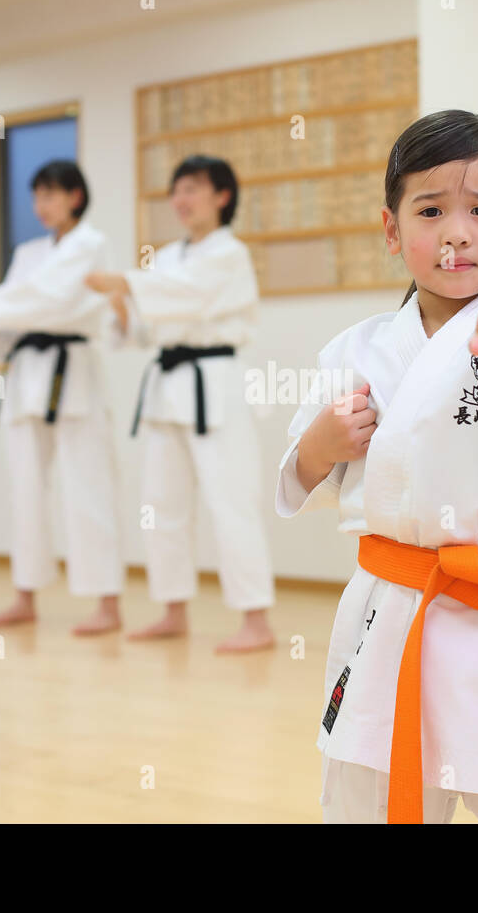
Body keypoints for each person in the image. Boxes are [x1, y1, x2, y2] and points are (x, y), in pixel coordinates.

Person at [275, 110, 478, 823]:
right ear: (393, 232)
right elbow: (298, 476)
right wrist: (323, 445)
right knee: (371, 797)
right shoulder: (355, 352)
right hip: (395, 614)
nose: (456, 231)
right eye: (431, 211)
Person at [84, 155, 275, 653]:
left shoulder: (228, 253)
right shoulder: (166, 257)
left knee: (232, 502)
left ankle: (256, 620)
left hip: (214, 384)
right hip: (168, 388)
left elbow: (187, 295)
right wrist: (123, 308)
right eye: (177, 190)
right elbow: (147, 328)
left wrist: (126, 283)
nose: (182, 199)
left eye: (193, 188)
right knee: (161, 503)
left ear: (221, 197)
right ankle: (172, 609)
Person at [0, 160, 126, 634]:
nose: (42, 206)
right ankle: (24, 594)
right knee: (24, 487)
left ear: (75, 196)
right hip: (27, 373)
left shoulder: (91, 243)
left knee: (89, 487)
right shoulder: (28, 251)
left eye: (51, 195)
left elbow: (55, 297)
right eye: (37, 197)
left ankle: (107, 604)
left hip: (73, 372)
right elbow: (20, 301)